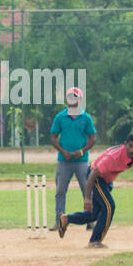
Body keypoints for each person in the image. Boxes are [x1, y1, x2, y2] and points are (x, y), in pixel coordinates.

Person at [49, 86, 96, 228]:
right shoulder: (60, 117)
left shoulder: (86, 117)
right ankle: (59, 221)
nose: (72, 99)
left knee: (87, 190)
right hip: (64, 161)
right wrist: (62, 151)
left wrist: (81, 151)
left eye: (75, 97)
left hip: (82, 161)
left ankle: (90, 220)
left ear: (80, 99)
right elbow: (53, 136)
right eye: (69, 97)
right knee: (60, 191)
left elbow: (92, 138)